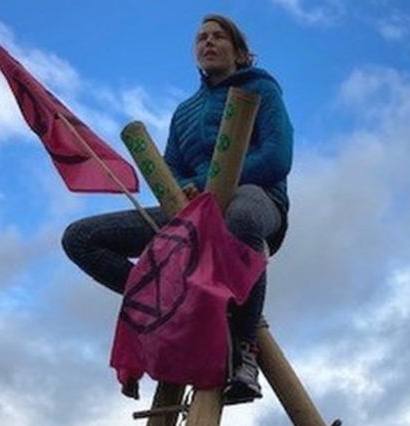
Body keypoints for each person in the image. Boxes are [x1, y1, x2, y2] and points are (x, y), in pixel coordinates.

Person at [62, 13, 293, 404]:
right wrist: (182, 189)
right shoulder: (185, 111)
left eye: (219, 36)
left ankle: (243, 349)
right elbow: (171, 167)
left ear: (239, 52)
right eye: (202, 37)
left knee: (242, 215)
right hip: (190, 213)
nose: (208, 42)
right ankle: (176, 303)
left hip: (256, 196)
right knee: (81, 238)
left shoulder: (262, 90)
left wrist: (209, 184)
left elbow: (276, 156)